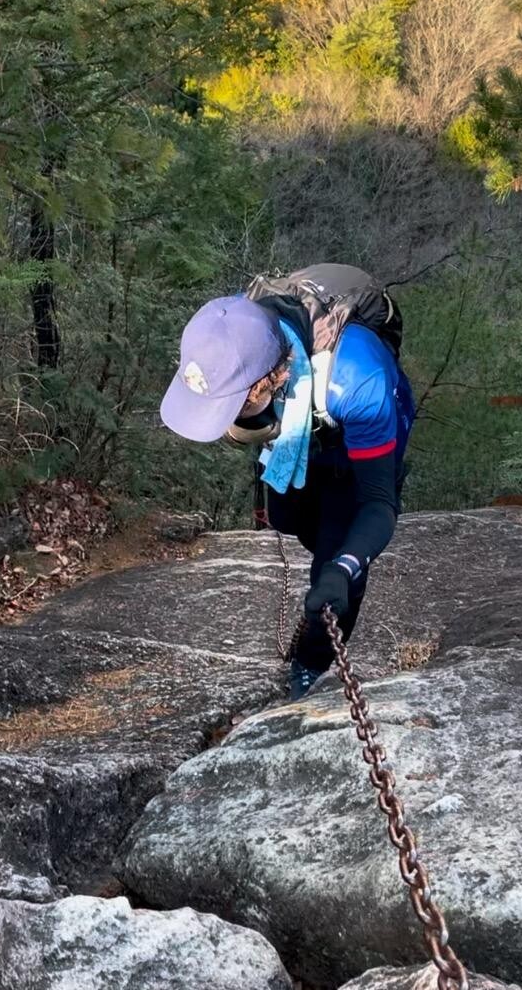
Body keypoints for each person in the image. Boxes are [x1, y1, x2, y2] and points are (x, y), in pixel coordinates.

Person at [160, 265, 416, 699]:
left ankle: (309, 666)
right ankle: (328, 543)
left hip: (353, 436)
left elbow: (378, 502)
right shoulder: (238, 329)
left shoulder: (358, 379)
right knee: (284, 515)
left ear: (267, 382)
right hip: (298, 430)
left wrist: (344, 564)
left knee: (336, 570)